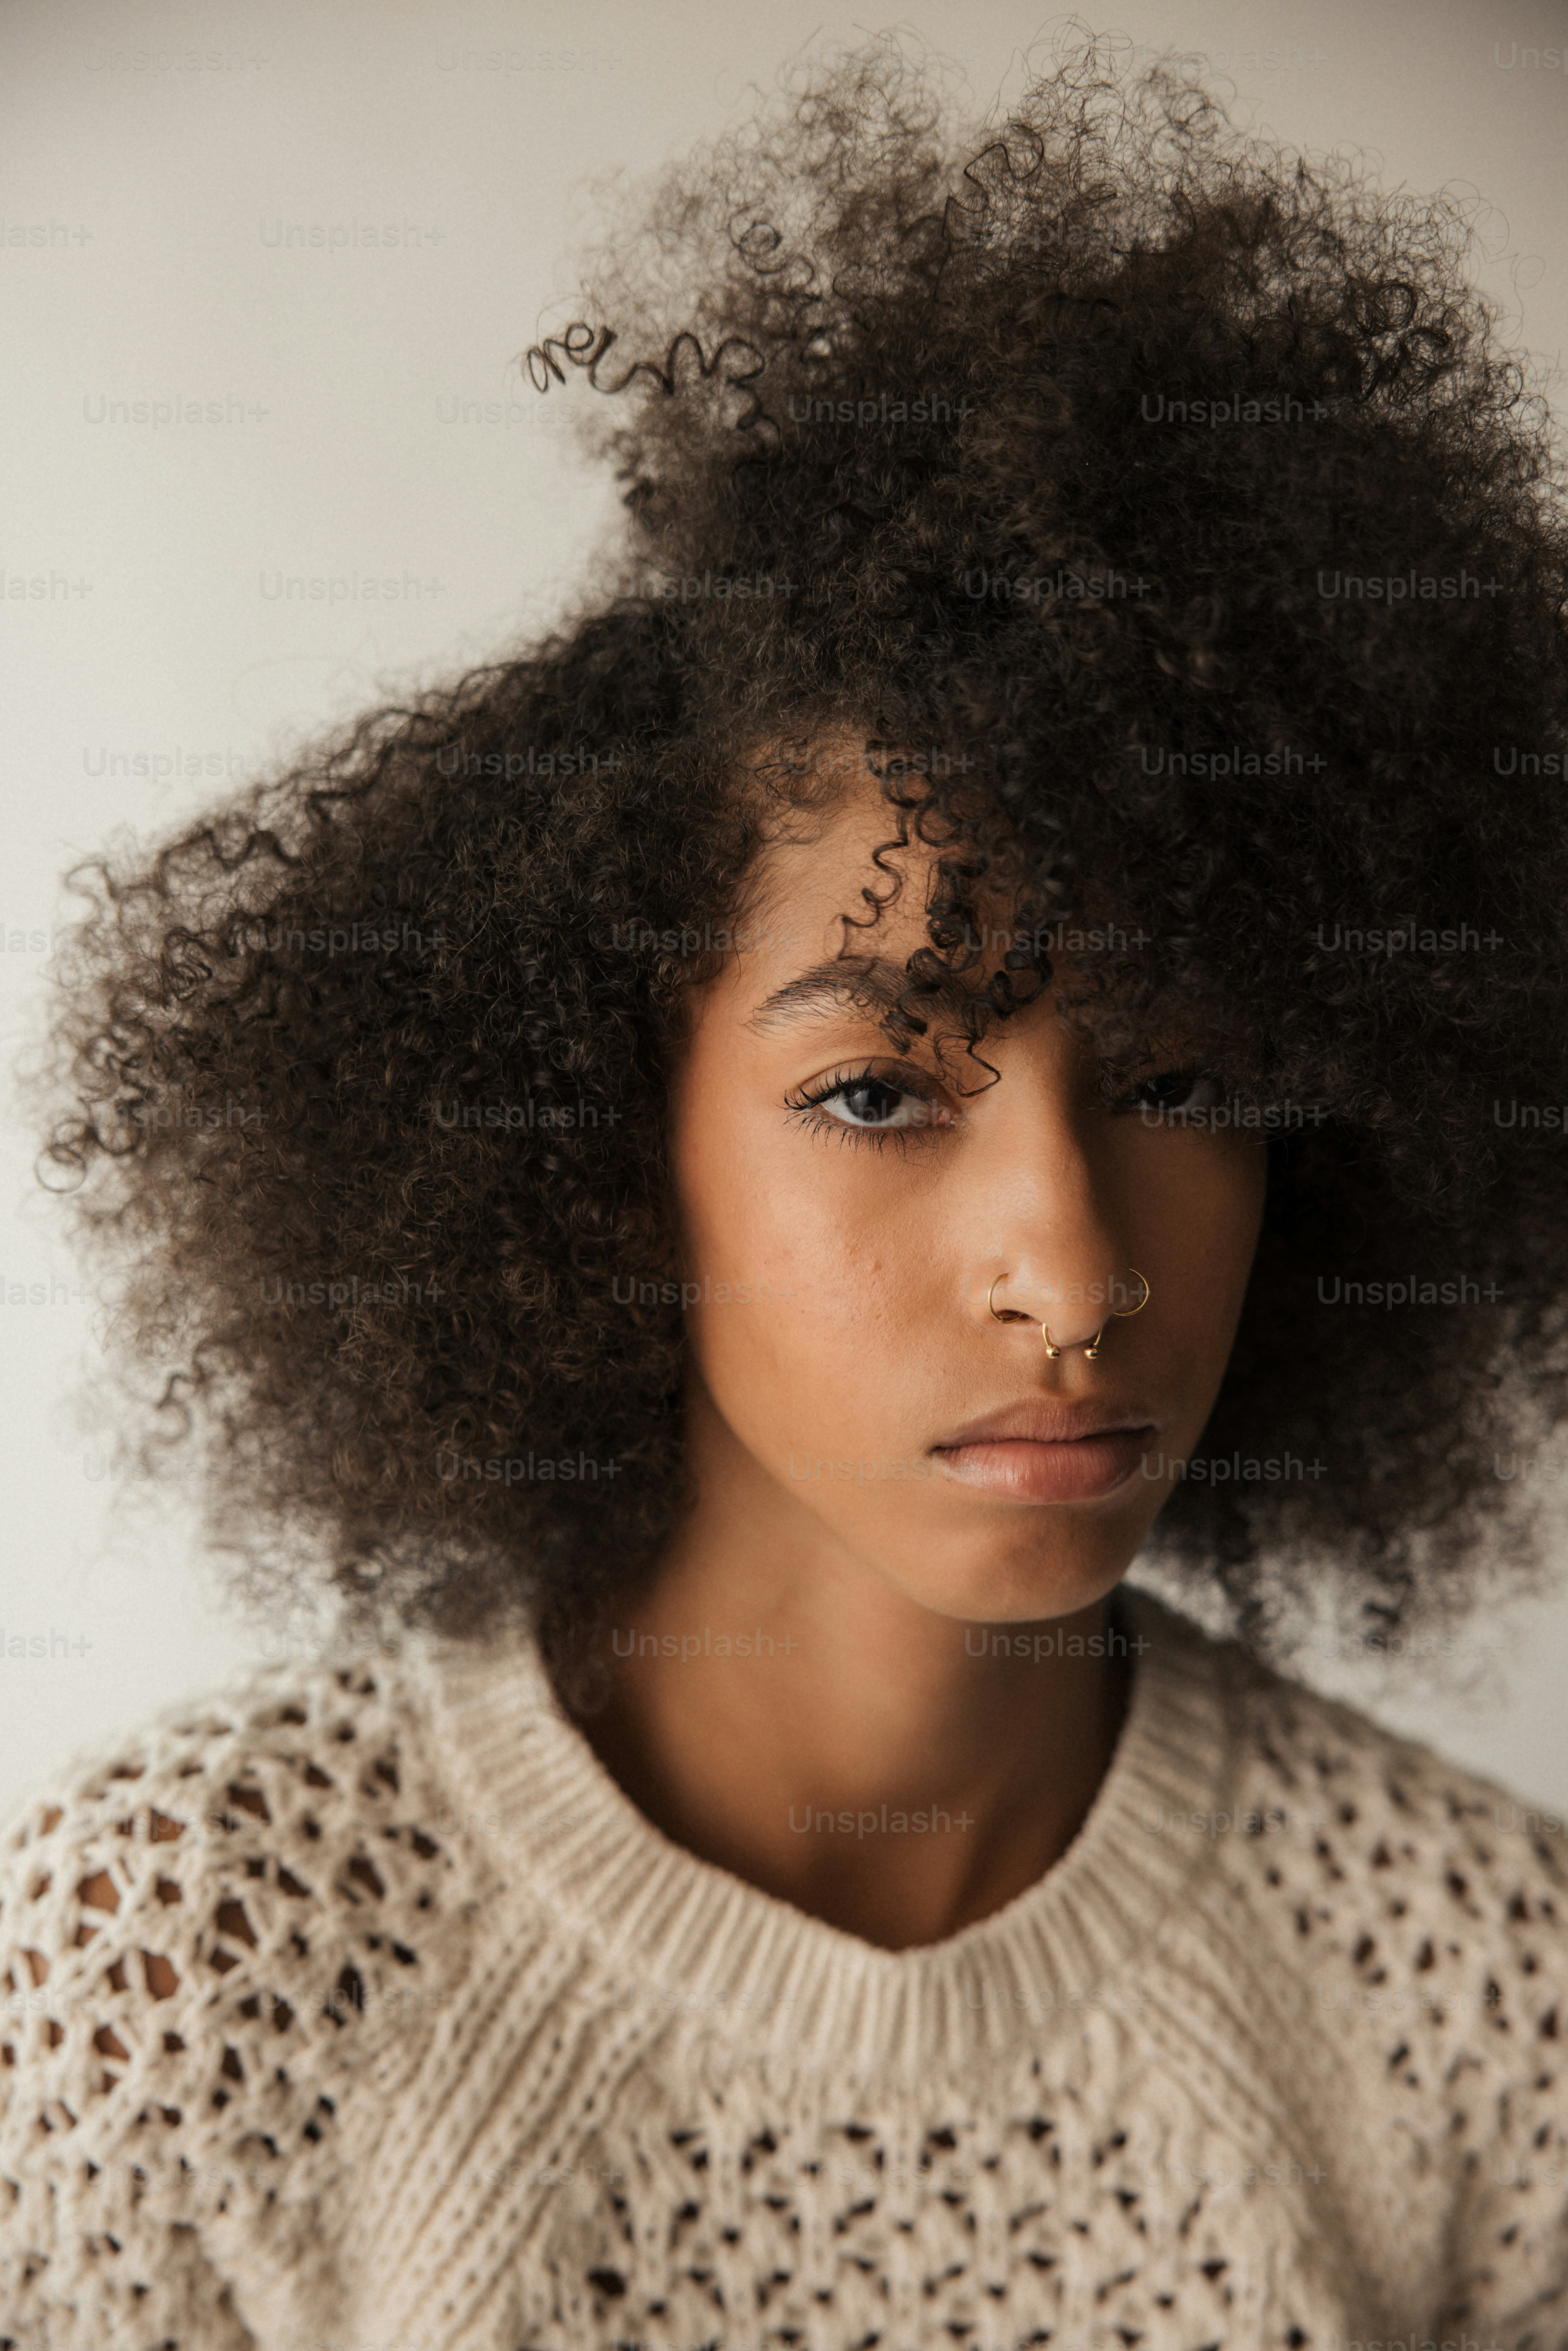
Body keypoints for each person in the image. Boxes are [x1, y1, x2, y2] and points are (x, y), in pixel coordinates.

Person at [3, 34, 1566, 2351]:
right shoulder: (174, 1973)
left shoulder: (1482, 2007)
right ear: (582, 1127)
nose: (1073, 1264)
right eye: (874, 1092)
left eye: (1179, 1074)